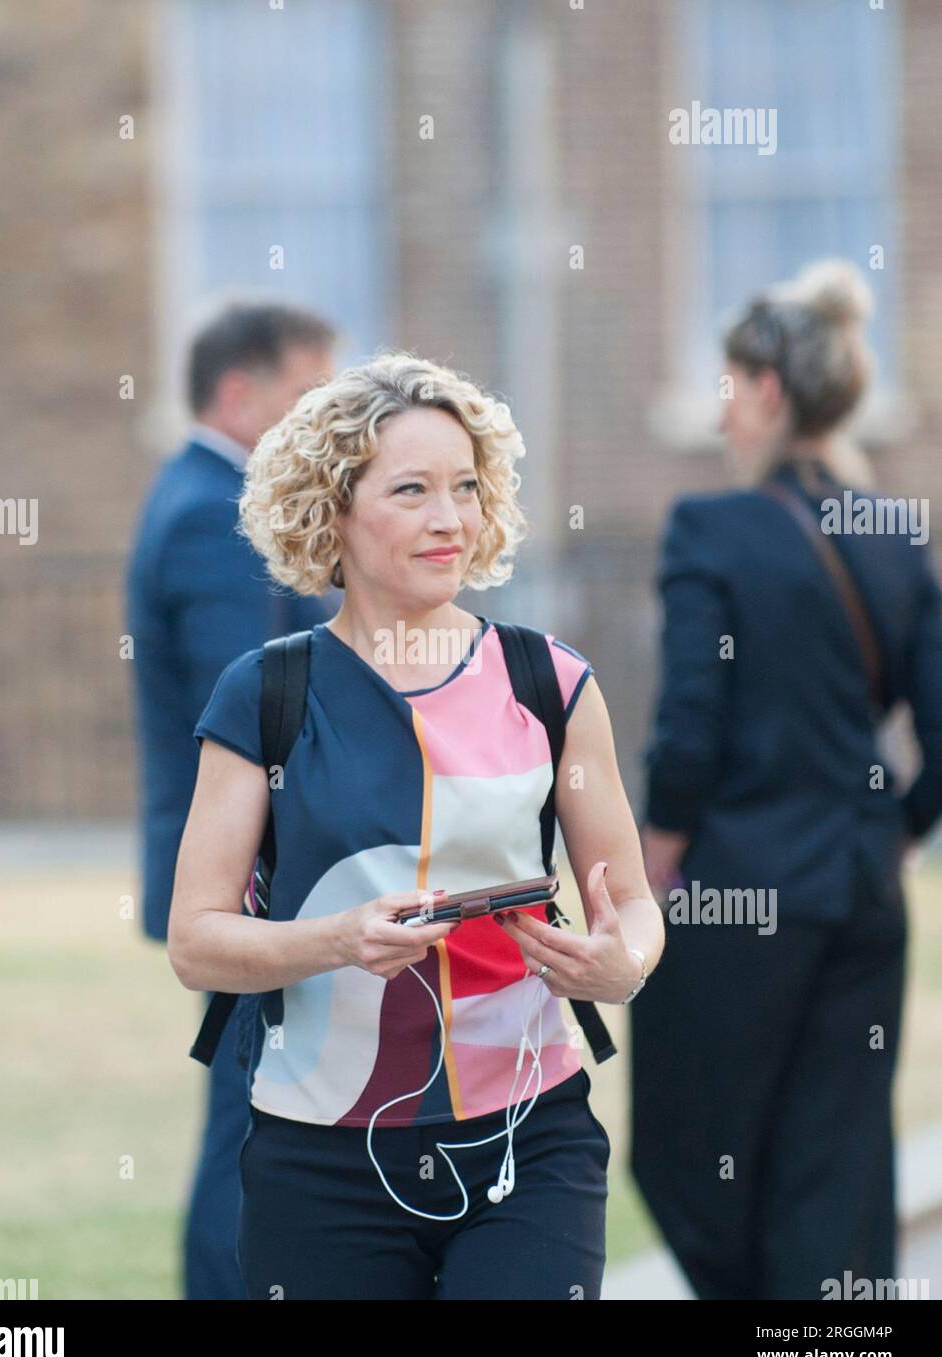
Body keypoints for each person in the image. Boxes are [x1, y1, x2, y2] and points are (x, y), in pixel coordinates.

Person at [167, 350, 665, 1300]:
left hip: (529, 1134)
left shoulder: (550, 681)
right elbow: (196, 942)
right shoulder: (265, 695)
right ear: (333, 510)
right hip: (319, 1157)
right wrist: (337, 941)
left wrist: (624, 963)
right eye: (411, 490)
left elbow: (633, 902)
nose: (451, 519)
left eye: (466, 487)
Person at [634, 259, 942, 1300]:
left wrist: (655, 860)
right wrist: (899, 825)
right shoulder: (895, 533)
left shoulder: (711, 531)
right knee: (840, 1161)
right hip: (861, 889)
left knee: (689, 1150)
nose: (721, 413)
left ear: (767, 389)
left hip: (736, 891)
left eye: (727, 386)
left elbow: (689, 726)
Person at [125, 298, 339, 1299]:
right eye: (307, 392)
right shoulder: (216, 511)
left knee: (259, 1106)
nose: (326, 417)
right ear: (239, 392)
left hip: (255, 866)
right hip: (246, 872)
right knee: (248, 1117)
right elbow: (247, 703)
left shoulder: (210, 496)